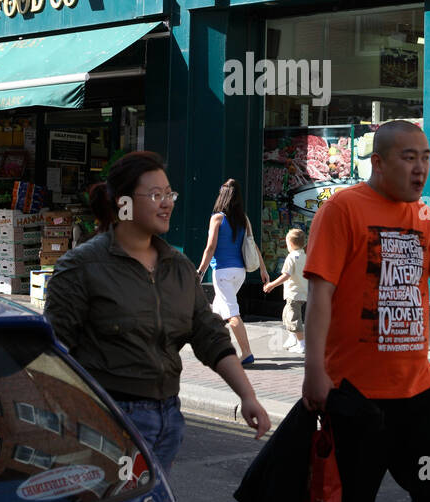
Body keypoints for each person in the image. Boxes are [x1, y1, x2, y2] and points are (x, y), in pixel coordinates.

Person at [46, 151, 271, 473]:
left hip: (168, 417)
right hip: (108, 418)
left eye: (169, 194)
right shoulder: (82, 266)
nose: (167, 203)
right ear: (123, 203)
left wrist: (247, 396)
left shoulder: (178, 267)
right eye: (155, 195)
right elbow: (55, 351)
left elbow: (209, 333)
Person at [301, 120, 430, 502]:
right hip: (355, 395)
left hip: (417, 393)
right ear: (378, 161)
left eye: (425, 158)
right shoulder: (341, 209)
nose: (420, 168)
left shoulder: (427, 216)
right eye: (408, 157)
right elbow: (320, 295)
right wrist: (313, 371)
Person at [196, 178, 268, 365]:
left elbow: (210, 247)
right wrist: (263, 269)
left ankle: (246, 353)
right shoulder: (243, 218)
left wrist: (200, 271)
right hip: (240, 272)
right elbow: (253, 245)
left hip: (222, 273)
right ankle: (213, 349)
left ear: (222, 196)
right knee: (218, 313)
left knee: (232, 313)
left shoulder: (217, 218)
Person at [263, 228, 308, 354]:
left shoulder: (291, 257)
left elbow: (286, 275)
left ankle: (301, 343)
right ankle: (292, 338)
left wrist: (271, 284)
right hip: (302, 292)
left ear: (290, 244)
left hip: (293, 293)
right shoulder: (305, 256)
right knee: (287, 314)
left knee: (293, 318)